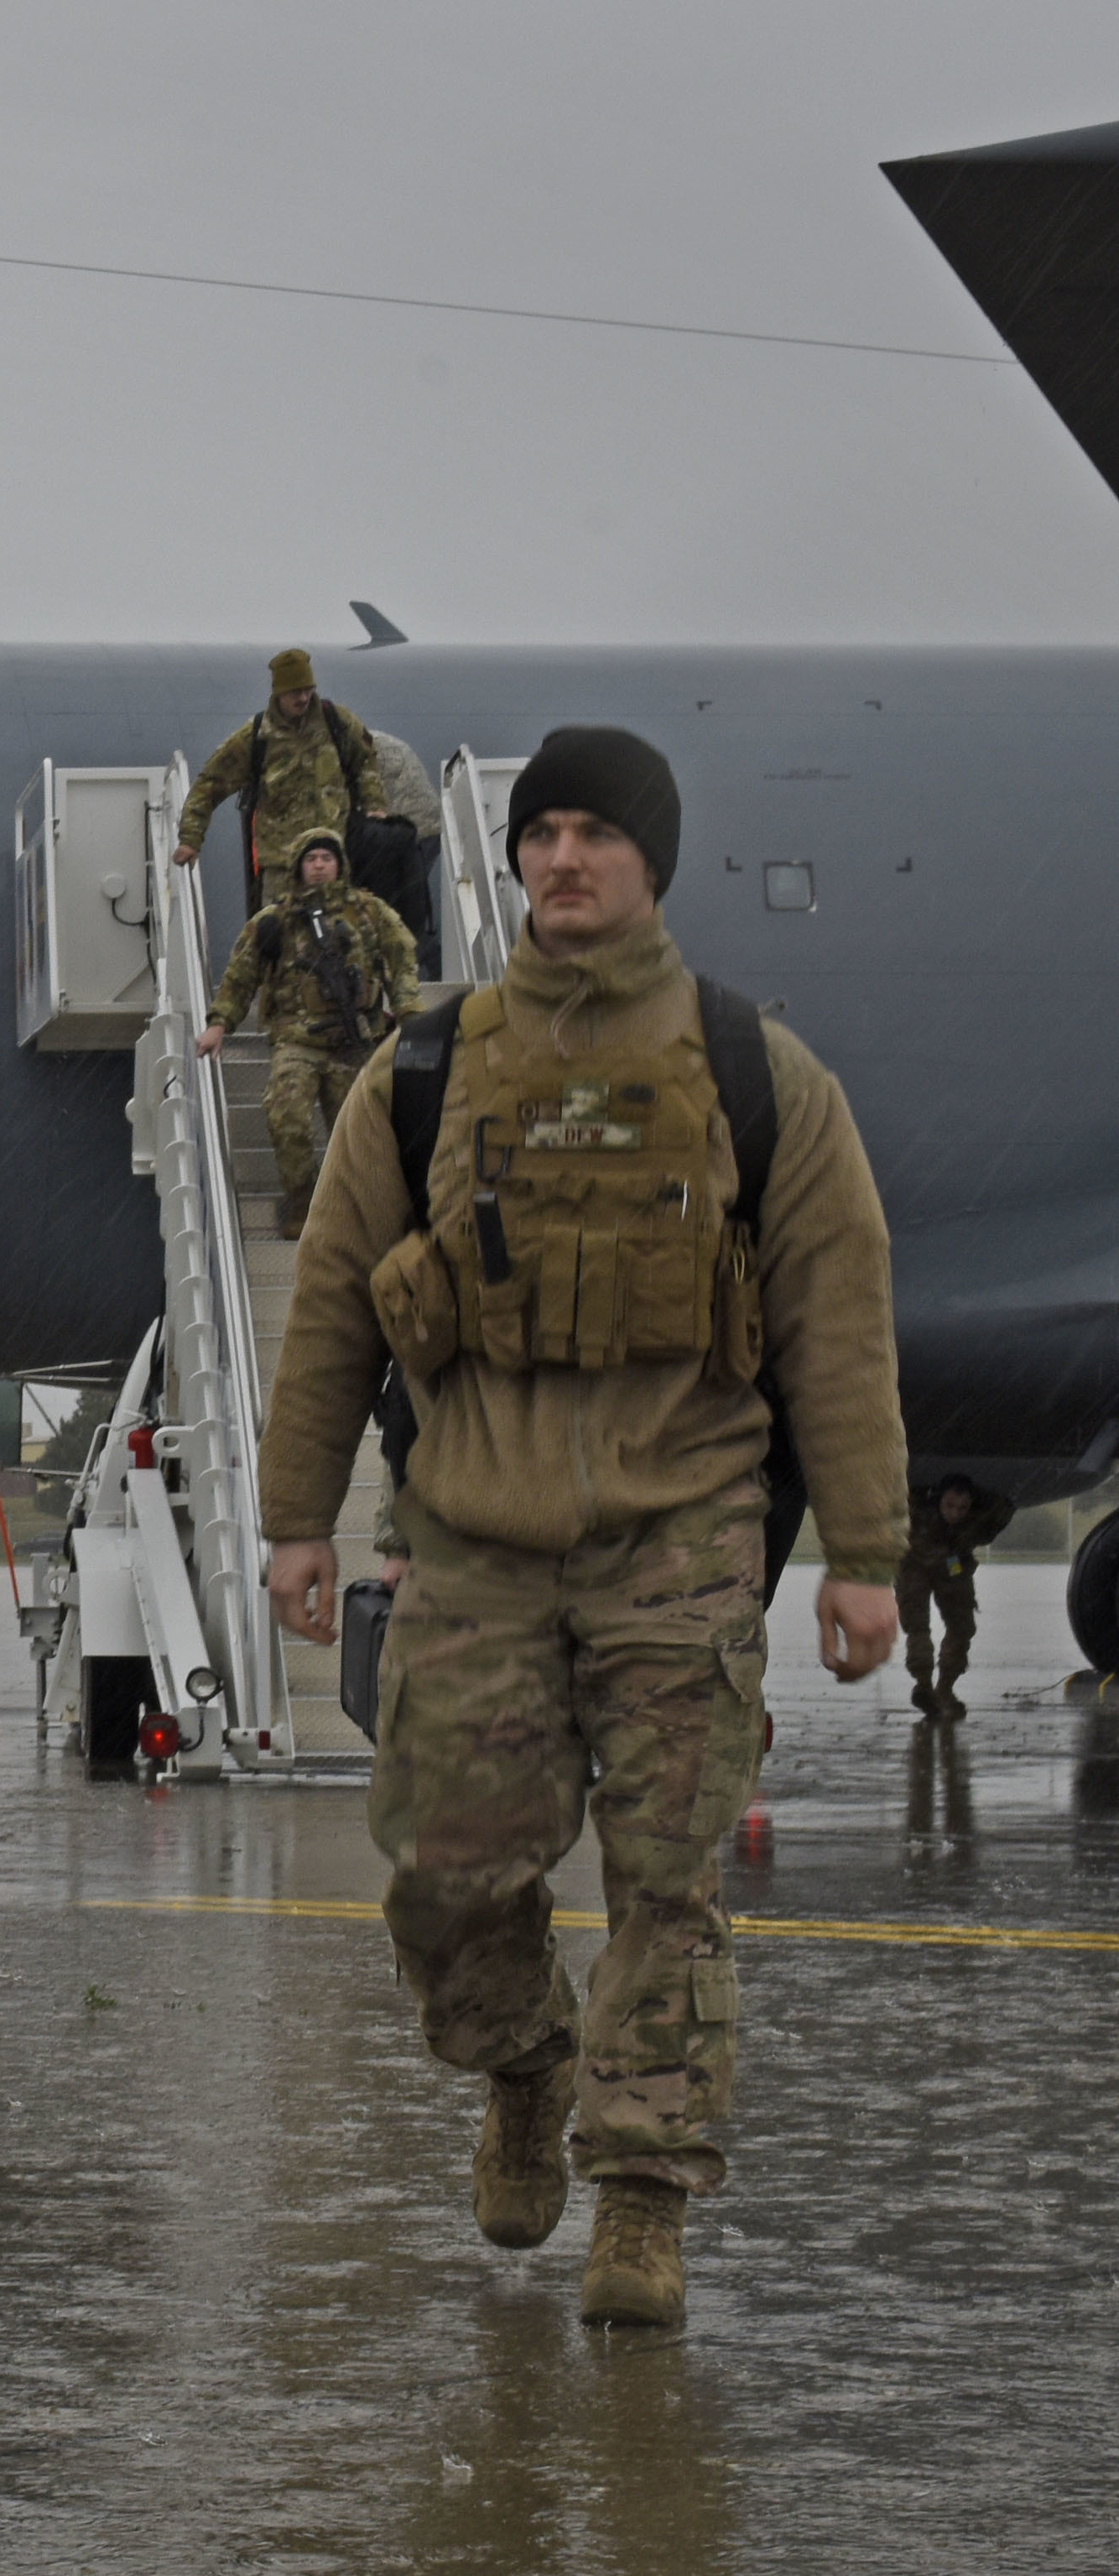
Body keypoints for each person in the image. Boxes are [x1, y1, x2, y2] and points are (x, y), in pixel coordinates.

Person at [258, 725, 904, 2331]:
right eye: (539, 831)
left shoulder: (756, 1075)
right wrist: (295, 1521)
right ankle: (525, 2068)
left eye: (593, 835)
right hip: (472, 1536)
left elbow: (836, 1315)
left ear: (647, 862)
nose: (560, 858)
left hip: (677, 1533)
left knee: (666, 1882)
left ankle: (639, 2200)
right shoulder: (422, 1071)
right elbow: (334, 1298)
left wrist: (870, 1556)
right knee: (439, 1875)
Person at [196, 827, 421, 1201]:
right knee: (288, 1119)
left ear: (340, 864)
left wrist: (410, 1015)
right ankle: (303, 1203)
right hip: (295, 1041)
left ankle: (352, 1212)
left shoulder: (368, 912)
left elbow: (402, 961)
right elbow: (240, 977)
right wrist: (218, 1025)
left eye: (327, 858)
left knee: (361, 1137)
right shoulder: (274, 921)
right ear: (299, 867)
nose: (319, 866)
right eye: (312, 859)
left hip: (353, 1041)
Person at [179, 648, 424, 914]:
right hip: (281, 869)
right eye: (296, 691)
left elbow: (365, 760)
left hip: (332, 862)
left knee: (340, 938)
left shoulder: (337, 723)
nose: (304, 697)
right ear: (279, 693)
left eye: (308, 689)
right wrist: (190, 839)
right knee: (276, 939)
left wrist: (375, 804)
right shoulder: (256, 738)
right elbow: (209, 784)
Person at [895, 1473, 1015, 1719]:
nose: (955, 1513)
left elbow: (1003, 1511)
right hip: (914, 1566)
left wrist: (979, 1498)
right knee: (917, 1627)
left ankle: (944, 1689)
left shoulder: (973, 1522)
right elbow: (895, 1503)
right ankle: (924, 1685)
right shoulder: (918, 1508)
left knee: (961, 1627)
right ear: (939, 1500)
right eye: (949, 1505)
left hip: (953, 1567)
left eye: (962, 1507)